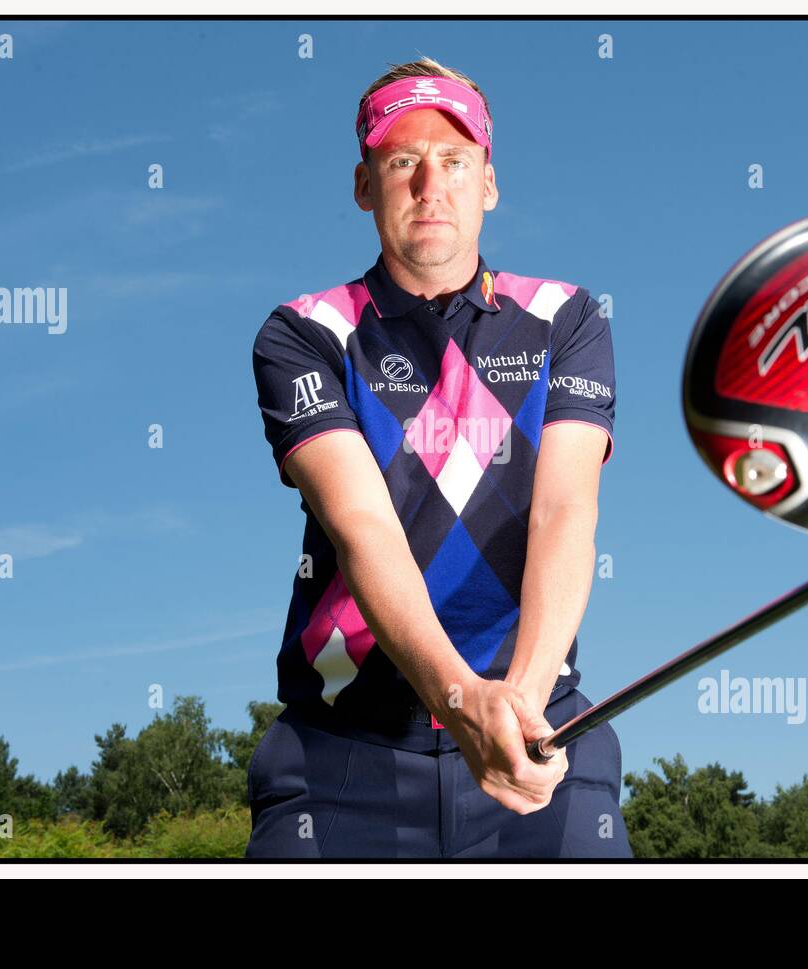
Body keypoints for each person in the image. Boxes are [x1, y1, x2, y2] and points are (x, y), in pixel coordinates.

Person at [247, 56, 629, 859]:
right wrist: (462, 700)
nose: (431, 184)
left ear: (489, 183)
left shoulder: (567, 317)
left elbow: (566, 511)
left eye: (455, 161)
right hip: (341, 759)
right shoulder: (305, 330)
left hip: (541, 739)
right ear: (364, 185)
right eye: (402, 161)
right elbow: (362, 527)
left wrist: (517, 704)